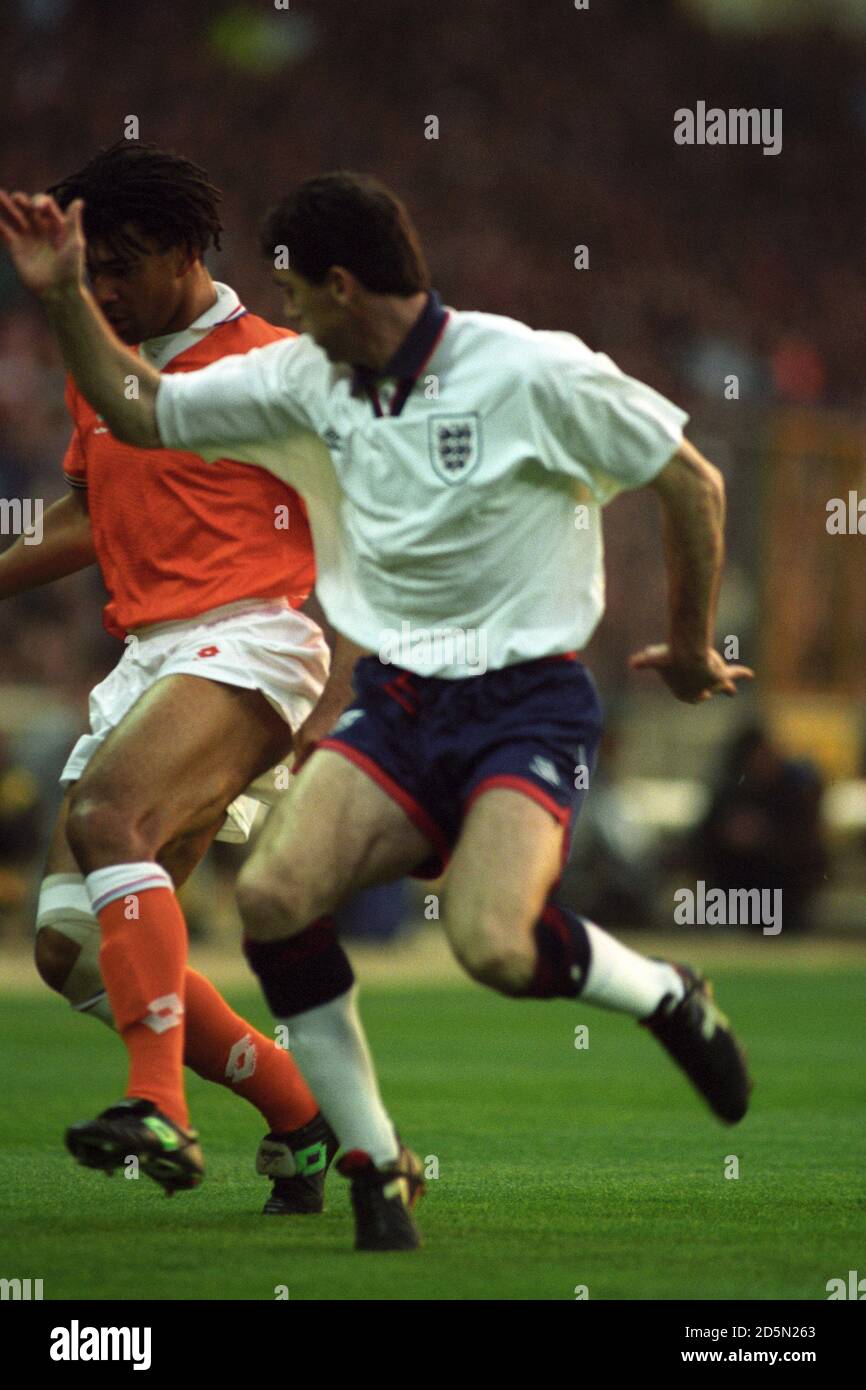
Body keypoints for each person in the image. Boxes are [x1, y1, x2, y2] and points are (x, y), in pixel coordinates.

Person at [0, 170, 754, 1253]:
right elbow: (139, 408)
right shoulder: (309, 382)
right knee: (262, 899)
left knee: (493, 945)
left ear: (341, 287)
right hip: (393, 701)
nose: (285, 318)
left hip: (515, 699)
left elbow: (692, 482)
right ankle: (369, 1157)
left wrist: (687, 645)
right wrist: (65, 293)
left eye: (297, 295)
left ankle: (666, 994)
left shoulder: (523, 366)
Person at [0, 151, 419, 1231]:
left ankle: (158, 1110)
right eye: (86, 278)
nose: (101, 296)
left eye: (121, 272)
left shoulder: (280, 364)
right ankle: (300, 1112)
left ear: (187, 254)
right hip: (150, 658)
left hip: (253, 640)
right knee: (68, 948)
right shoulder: (104, 358)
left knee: (108, 816)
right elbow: (90, 518)